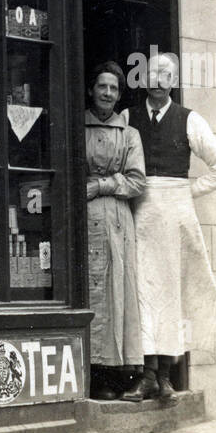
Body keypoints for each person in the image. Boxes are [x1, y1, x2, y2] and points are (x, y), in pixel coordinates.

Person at [122, 52, 216, 404]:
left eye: (165, 74)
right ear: (142, 79)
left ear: (174, 81)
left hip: (175, 215)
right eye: (151, 73)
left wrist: (188, 190)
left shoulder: (190, 120)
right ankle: (146, 375)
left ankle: (166, 376)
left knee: (171, 295)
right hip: (140, 212)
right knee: (142, 293)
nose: (157, 79)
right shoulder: (128, 117)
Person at [85, 61, 146, 401]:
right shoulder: (78, 125)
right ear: (91, 90)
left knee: (117, 292)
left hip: (119, 221)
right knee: (93, 292)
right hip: (86, 219)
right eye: (102, 87)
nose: (107, 93)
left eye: (113, 89)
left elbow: (137, 181)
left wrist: (100, 185)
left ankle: (116, 372)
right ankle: (94, 373)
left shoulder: (129, 133)